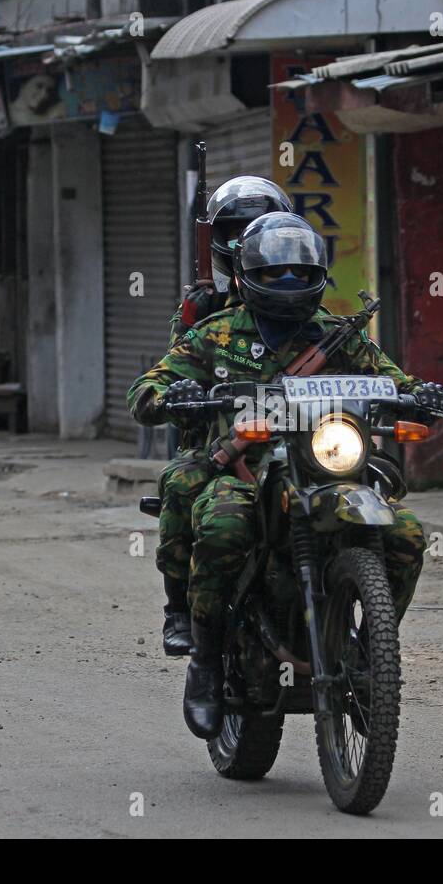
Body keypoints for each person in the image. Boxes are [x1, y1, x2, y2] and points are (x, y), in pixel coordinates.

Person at [128, 212, 443, 738]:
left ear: (318, 277)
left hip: (326, 463)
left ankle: (373, 656)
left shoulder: (338, 335)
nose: (287, 284)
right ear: (248, 275)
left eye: (299, 274)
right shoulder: (216, 335)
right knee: (223, 525)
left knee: (407, 534)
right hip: (241, 468)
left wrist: (422, 395)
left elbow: (392, 380)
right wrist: (171, 396)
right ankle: (206, 664)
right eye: (275, 274)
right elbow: (149, 387)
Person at [154, 176, 293, 658]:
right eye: (233, 231)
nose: (244, 240)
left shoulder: (310, 312)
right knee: (185, 488)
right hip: (222, 444)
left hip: (304, 449)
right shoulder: (210, 319)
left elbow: (372, 371)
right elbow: (167, 375)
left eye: (255, 228)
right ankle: (185, 615)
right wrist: (193, 320)